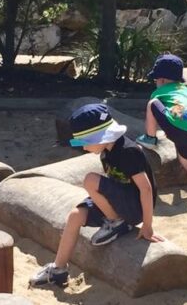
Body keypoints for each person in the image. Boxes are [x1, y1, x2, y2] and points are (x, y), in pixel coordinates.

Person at [29, 103, 163, 287]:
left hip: (134, 208)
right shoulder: (106, 152)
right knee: (75, 216)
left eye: (85, 142)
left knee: (90, 180)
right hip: (119, 202)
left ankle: (116, 222)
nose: (84, 149)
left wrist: (147, 225)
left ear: (101, 137)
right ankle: (59, 269)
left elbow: (146, 189)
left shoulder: (128, 151)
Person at [135, 54, 187, 200]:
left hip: (176, 126)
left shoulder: (160, 92)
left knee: (152, 104)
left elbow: (158, 109)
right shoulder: (185, 91)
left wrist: (167, 128)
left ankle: (150, 138)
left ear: (162, 80)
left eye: (156, 80)